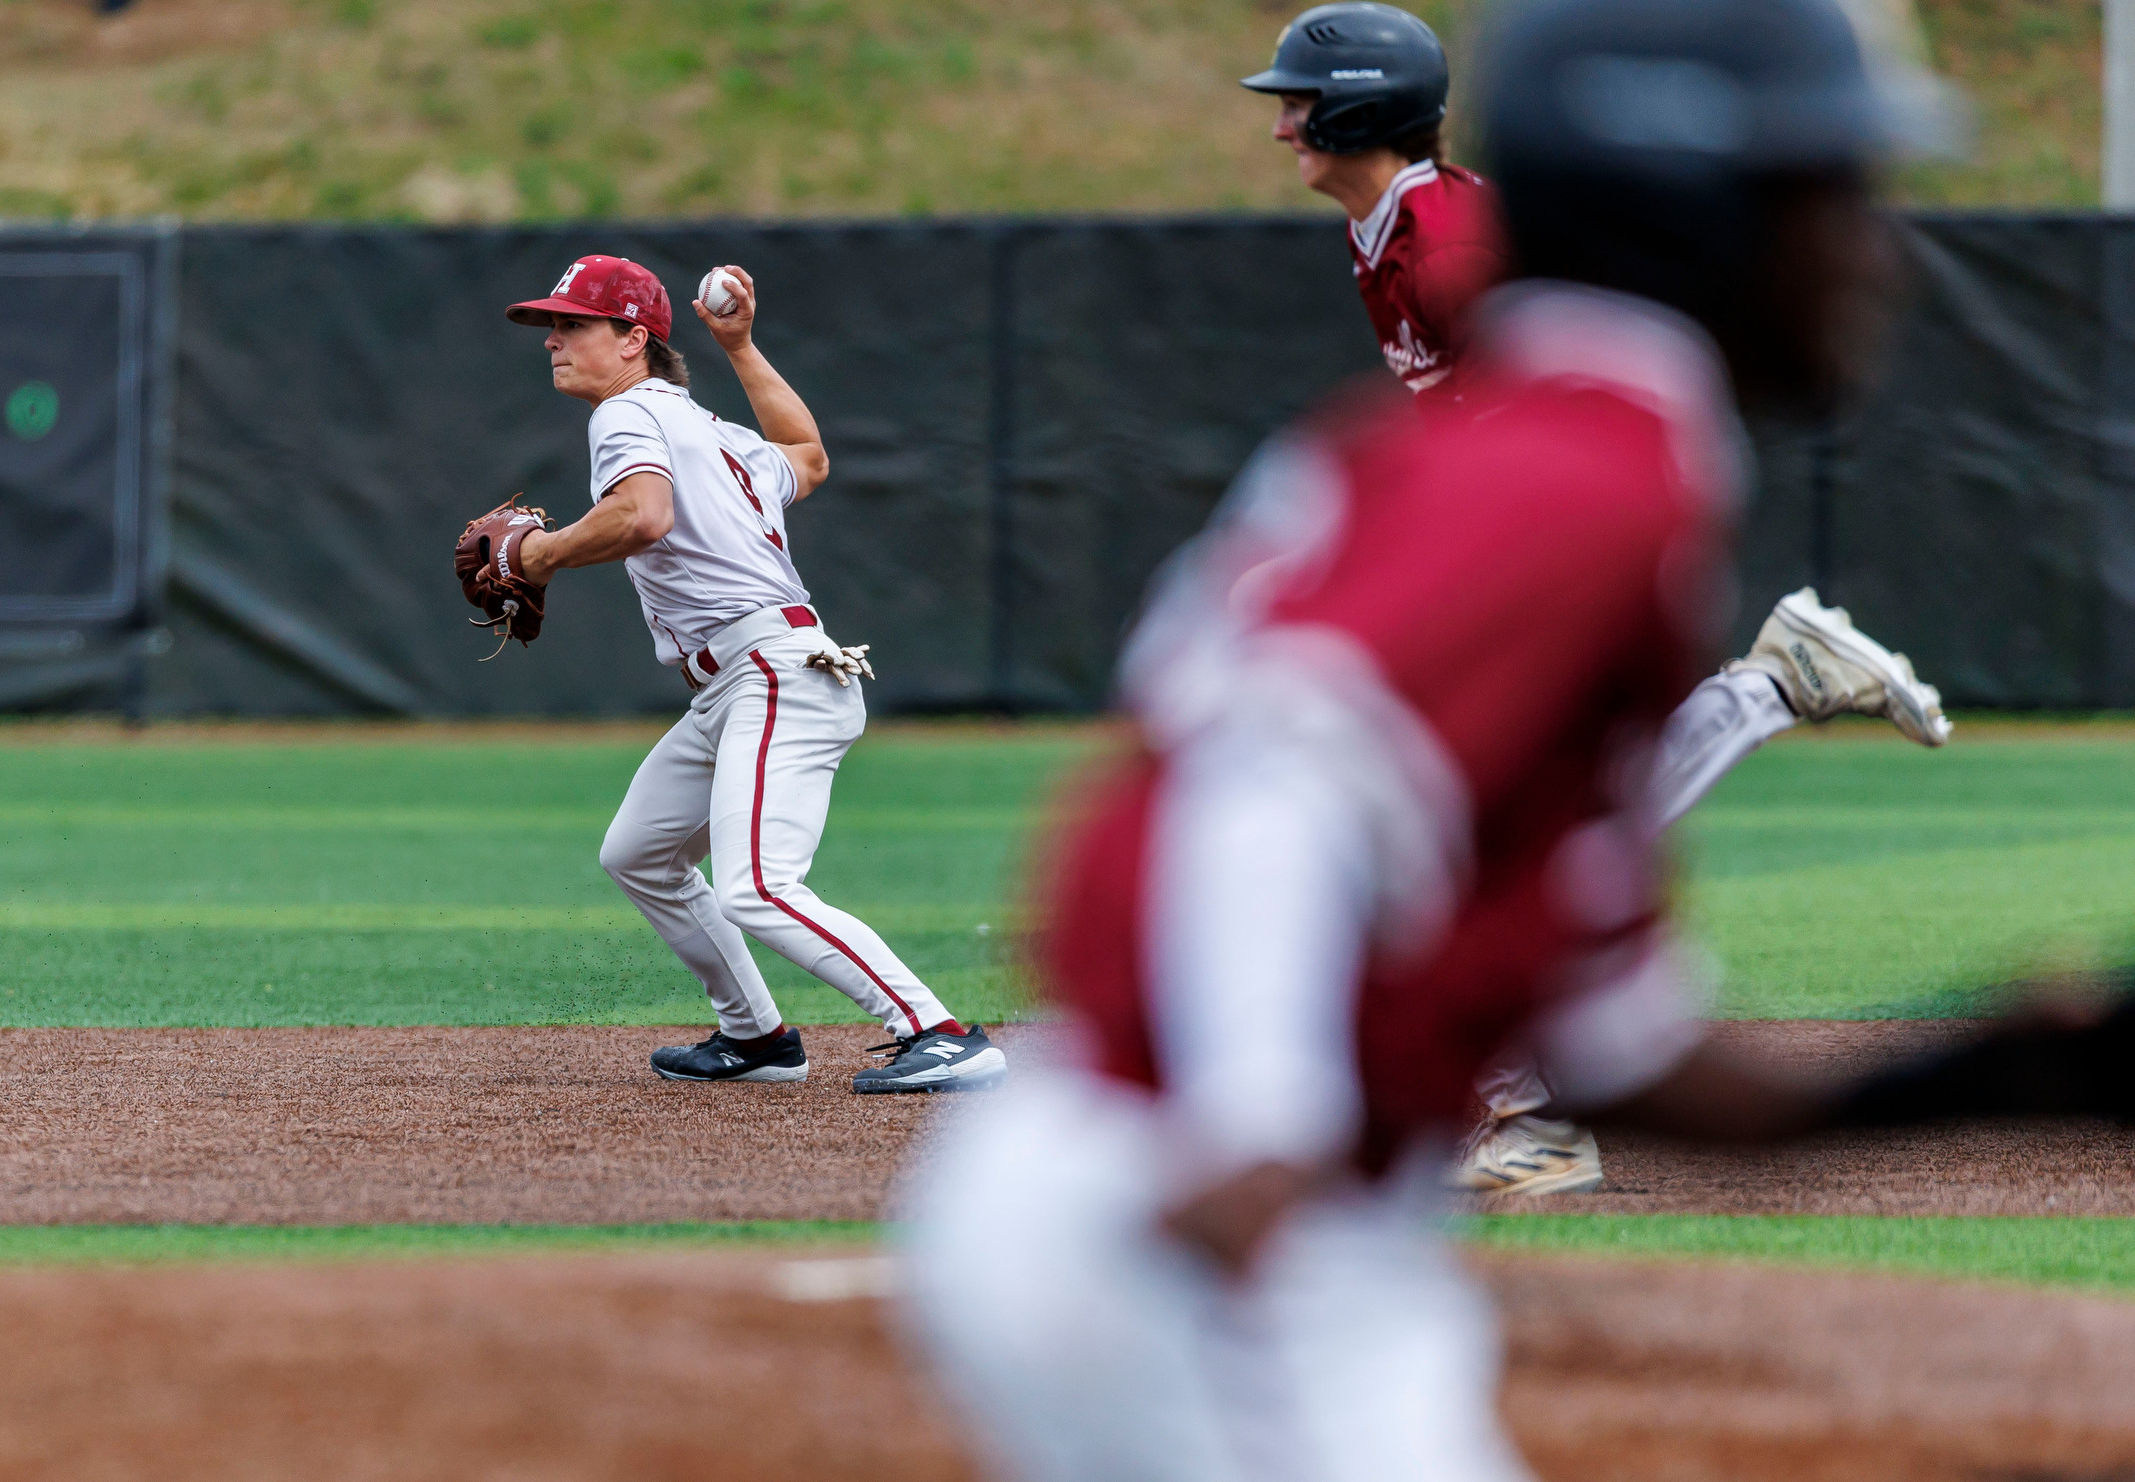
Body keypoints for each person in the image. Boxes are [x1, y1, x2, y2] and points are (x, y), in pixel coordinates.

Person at [897, 0, 2135, 1476]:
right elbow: (1278, 769)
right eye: (1835, 196)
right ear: (1697, 214)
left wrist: (1977, 1080)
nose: (1881, 252)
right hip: (1198, 1229)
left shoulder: (1580, 444)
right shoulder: (1586, 470)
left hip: (1191, 1213)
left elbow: (1609, 1052)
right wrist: (1258, 1124)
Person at [1244, 0, 1953, 1194]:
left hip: (1524, 549)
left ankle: (1528, 1111)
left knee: (1505, 824)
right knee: (1517, 820)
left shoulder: (1444, 241)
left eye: (1299, 103)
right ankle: (1775, 682)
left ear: (1364, 107)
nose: (1282, 129)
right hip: (1506, 546)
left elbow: (1537, 413)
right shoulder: (1394, 229)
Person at [499, 254, 1006, 1093]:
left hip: (772, 674)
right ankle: (758, 1037)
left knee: (759, 887)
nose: (552, 340)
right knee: (640, 852)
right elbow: (805, 454)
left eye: (572, 324)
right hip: (749, 680)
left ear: (633, 338)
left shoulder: (627, 417)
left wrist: (542, 555)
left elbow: (642, 514)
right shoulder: (714, 432)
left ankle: (939, 1030)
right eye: (549, 325)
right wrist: (739, 344)